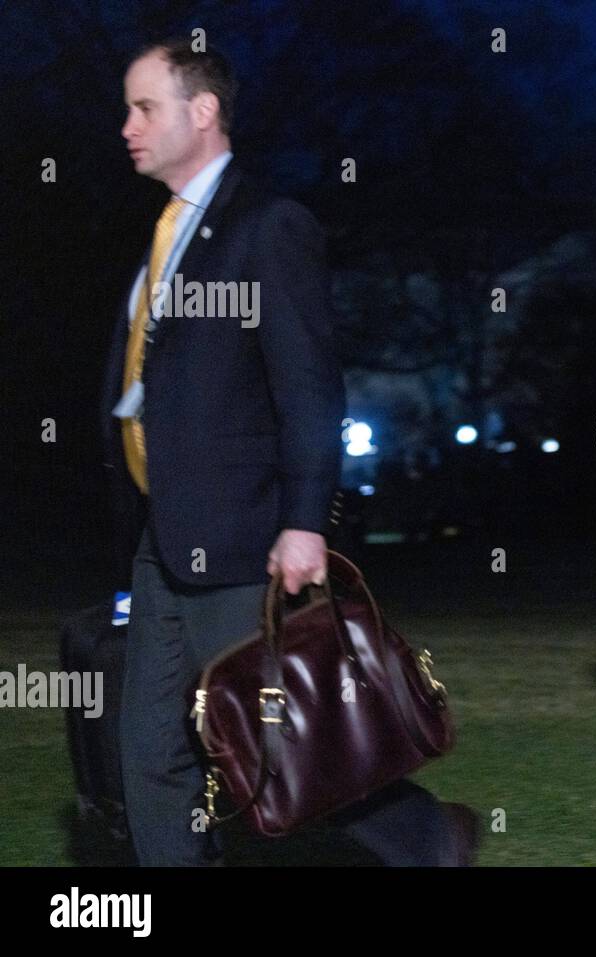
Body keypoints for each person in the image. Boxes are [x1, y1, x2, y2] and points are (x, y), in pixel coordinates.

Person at [103, 38, 478, 866]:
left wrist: (305, 521)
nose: (127, 125)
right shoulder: (166, 230)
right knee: (151, 751)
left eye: (144, 107)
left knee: (290, 748)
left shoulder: (267, 226)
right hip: (161, 537)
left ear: (202, 113)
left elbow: (310, 384)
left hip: (242, 537)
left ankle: (426, 836)